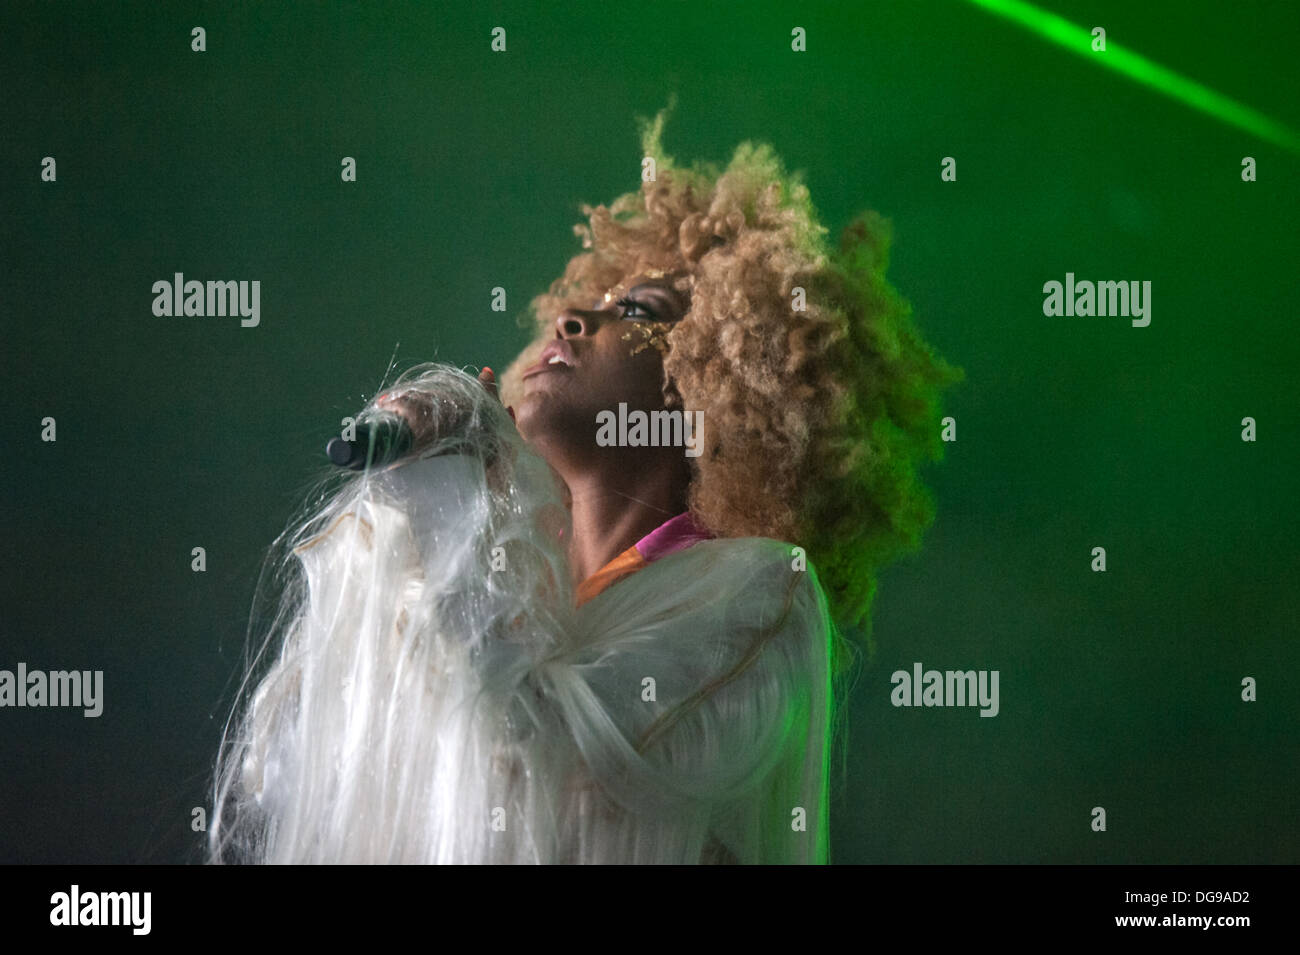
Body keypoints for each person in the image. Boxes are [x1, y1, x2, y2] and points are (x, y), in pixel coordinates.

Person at [208, 105, 962, 864]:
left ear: (717, 385)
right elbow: (320, 767)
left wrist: (468, 490)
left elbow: (549, 764)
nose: (570, 317)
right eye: (588, 303)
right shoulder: (529, 573)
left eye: (637, 311)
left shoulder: (764, 592)